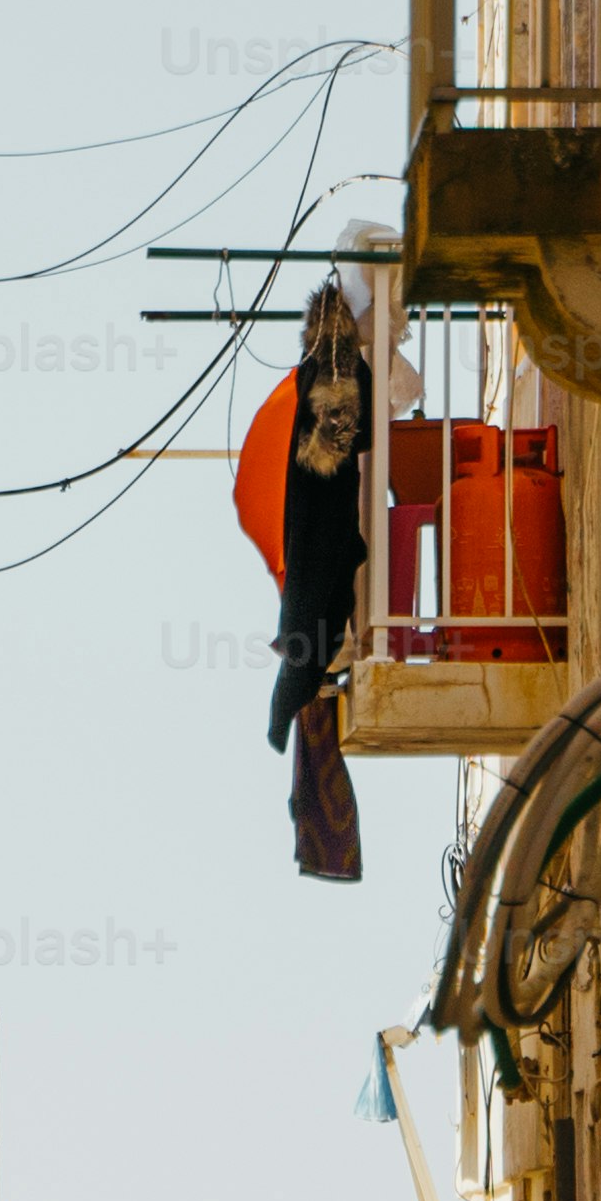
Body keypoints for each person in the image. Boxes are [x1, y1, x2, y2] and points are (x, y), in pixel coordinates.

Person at [234, 278, 372, 882]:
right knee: (310, 649)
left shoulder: (319, 373)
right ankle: (303, 690)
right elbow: (333, 447)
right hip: (322, 553)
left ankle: (303, 691)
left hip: (318, 561)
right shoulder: (336, 366)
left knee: (309, 650)